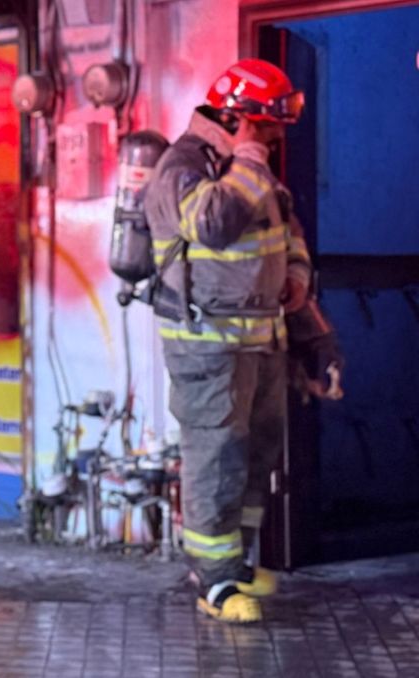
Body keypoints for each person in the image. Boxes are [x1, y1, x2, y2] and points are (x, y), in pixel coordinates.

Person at [144, 59, 310, 623]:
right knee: (215, 459)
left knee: (256, 457)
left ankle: (236, 564)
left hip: (263, 339)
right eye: (266, 125)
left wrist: (298, 277)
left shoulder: (250, 166)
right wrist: (248, 156)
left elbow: (288, 232)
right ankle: (211, 581)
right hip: (206, 345)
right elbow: (213, 223)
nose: (274, 136)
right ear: (239, 118)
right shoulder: (183, 165)